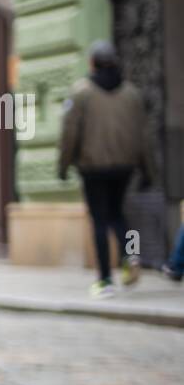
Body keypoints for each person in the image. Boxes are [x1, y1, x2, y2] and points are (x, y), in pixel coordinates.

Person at [59, 40, 157, 298]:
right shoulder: (132, 94)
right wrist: (148, 171)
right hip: (124, 167)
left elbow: (70, 134)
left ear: (92, 63)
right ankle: (130, 255)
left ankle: (104, 281)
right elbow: (143, 137)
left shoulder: (82, 92)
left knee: (100, 221)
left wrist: (63, 165)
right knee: (118, 215)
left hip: (93, 168)